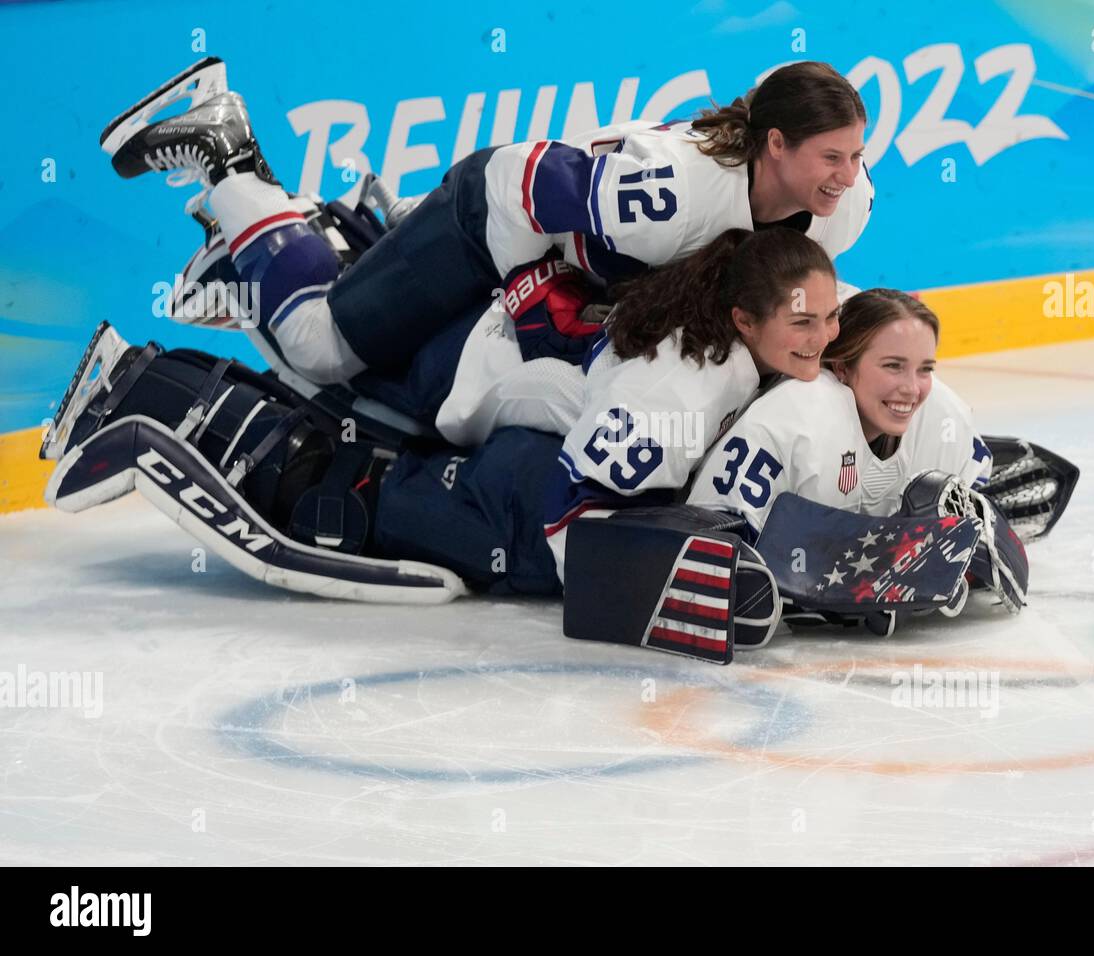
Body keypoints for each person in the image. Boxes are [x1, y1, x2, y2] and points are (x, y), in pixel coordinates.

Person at [42, 228, 840, 603]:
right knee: (341, 482)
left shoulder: (730, 329)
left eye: (829, 320)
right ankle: (143, 380)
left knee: (339, 417)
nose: (822, 338)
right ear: (743, 319)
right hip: (473, 395)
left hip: (494, 362)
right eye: (803, 323)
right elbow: (574, 523)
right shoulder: (683, 389)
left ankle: (249, 273)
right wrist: (680, 585)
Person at [103, 57, 874, 401]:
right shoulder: (679, 194)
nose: (847, 176)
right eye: (830, 157)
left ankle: (328, 236)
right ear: (775, 145)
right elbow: (534, 190)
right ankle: (229, 157)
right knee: (322, 350)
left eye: (856, 156)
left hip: (551, 252)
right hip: (489, 221)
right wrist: (509, 283)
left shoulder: (845, 207)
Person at [687, 288, 991, 538]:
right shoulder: (791, 420)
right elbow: (717, 536)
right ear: (843, 367)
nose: (912, 389)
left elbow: (977, 505)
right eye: (893, 366)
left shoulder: (944, 415)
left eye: (925, 369)